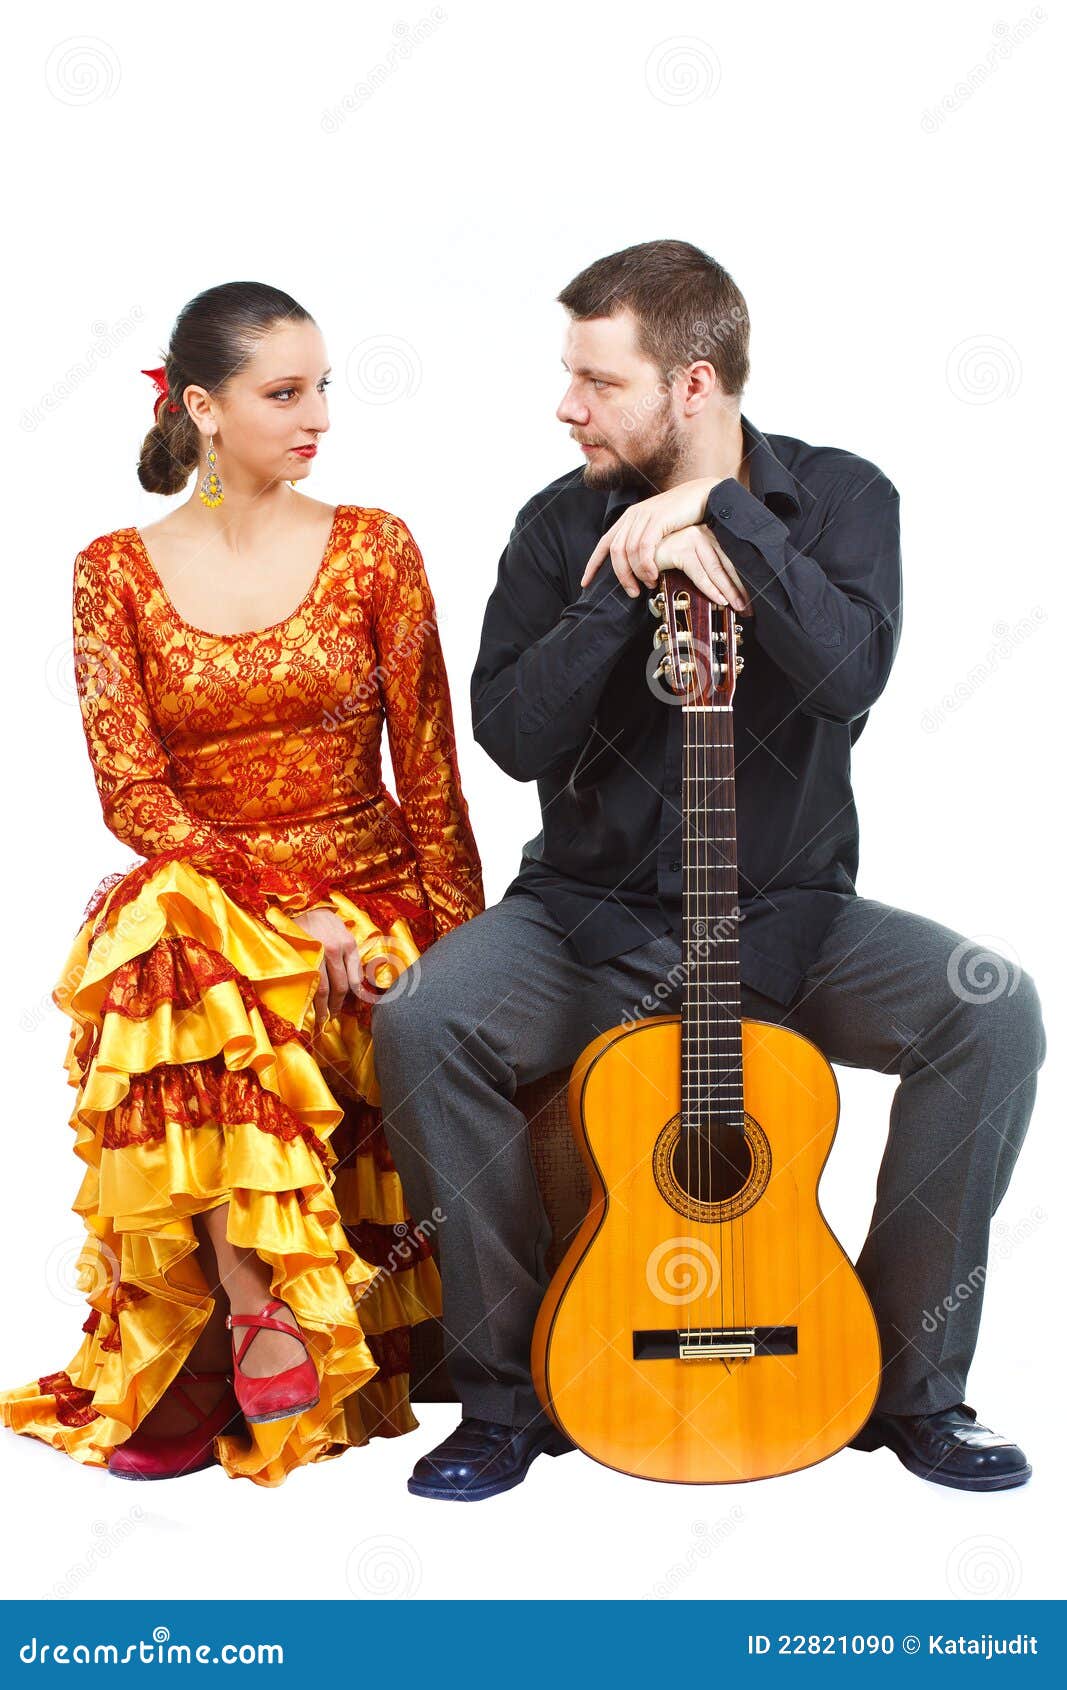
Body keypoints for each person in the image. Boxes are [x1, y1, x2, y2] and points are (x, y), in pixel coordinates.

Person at [372, 238, 1046, 1501]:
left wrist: (716, 511)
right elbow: (511, 735)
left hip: (787, 923)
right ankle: (511, 1395)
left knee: (989, 1007)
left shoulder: (845, 498)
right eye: (566, 375)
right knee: (428, 1018)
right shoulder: (553, 522)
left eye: (595, 379)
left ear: (691, 386)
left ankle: (906, 1389)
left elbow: (850, 677)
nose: (565, 404)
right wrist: (624, 578)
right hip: (583, 926)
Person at [0, 281, 483, 1485]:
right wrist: (279, 911)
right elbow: (134, 795)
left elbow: (431, 768)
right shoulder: (110, 570)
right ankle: (239, 1300)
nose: (317, 413)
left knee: (174, 930)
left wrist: (465, 948)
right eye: (285, 392)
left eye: (323, 386)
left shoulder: (376, 544)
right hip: (217, 894)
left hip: (372, 890)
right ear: (204, 410)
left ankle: (263, 1333)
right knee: (163, 919)